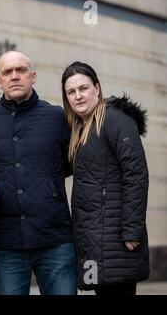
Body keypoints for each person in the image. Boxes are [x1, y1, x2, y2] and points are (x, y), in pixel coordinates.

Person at [0, 51, 76, 295]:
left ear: (33, 76)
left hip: (55, 239)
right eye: (7, 72)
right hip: (5, 242)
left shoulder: (57, 118)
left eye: (21, 70)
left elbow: (69, 164)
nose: (15, 76)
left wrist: (45, 189)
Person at [61, 61, 149, 295]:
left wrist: (132, 230)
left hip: (118, 241)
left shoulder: (114, 119)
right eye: (71, 91)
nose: (78, 96)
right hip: (96, 241)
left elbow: (136, 174)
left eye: (83, 88)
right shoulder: (81, 129)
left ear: (97, 88)